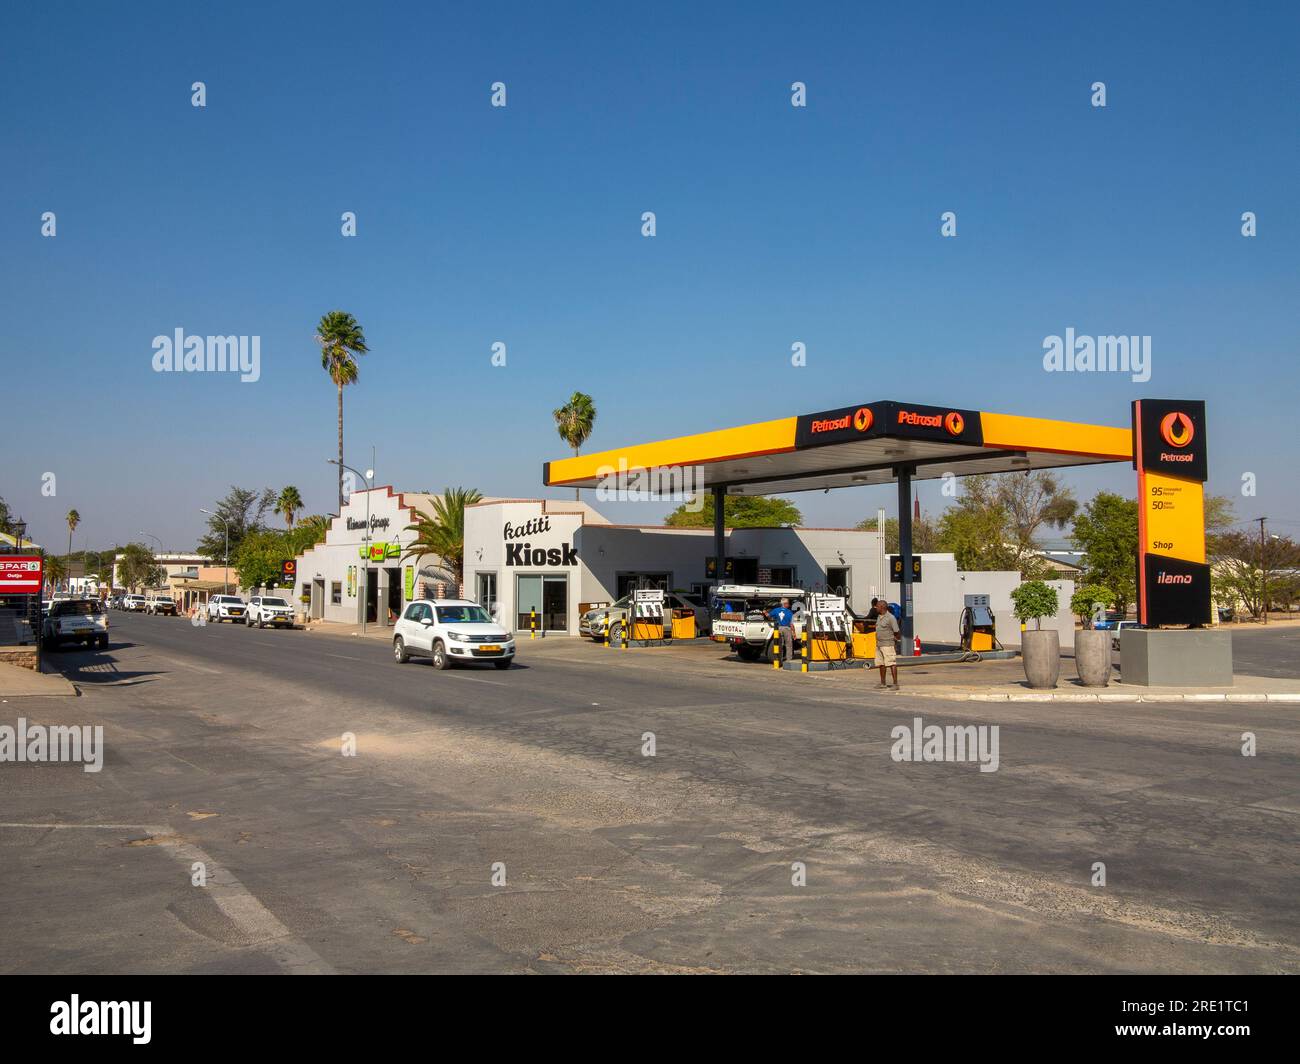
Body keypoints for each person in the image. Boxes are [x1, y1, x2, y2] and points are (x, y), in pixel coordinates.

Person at [873, 600, 902, 689]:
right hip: (879, 645)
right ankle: (883, 683)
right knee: (881, 664)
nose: (876, 608)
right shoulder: (879, 617)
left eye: (877, 606)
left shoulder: (891, 618)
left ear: (882, 607)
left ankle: (895, 684)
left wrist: (894, 640)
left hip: (888, 644)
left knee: (891, 663)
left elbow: (897, 632)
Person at [768, 597, 795, 664]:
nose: (789, 605)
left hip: (779, 629)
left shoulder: (776, 610)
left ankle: (779, 660)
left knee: (780, 645)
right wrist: (794, 633)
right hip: (787, 629)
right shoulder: (789, 612)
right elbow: (791, 624)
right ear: (785, 604)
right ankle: (789, 660)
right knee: (789, 645)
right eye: (788, 603)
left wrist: (765, 612)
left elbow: (768, 615)